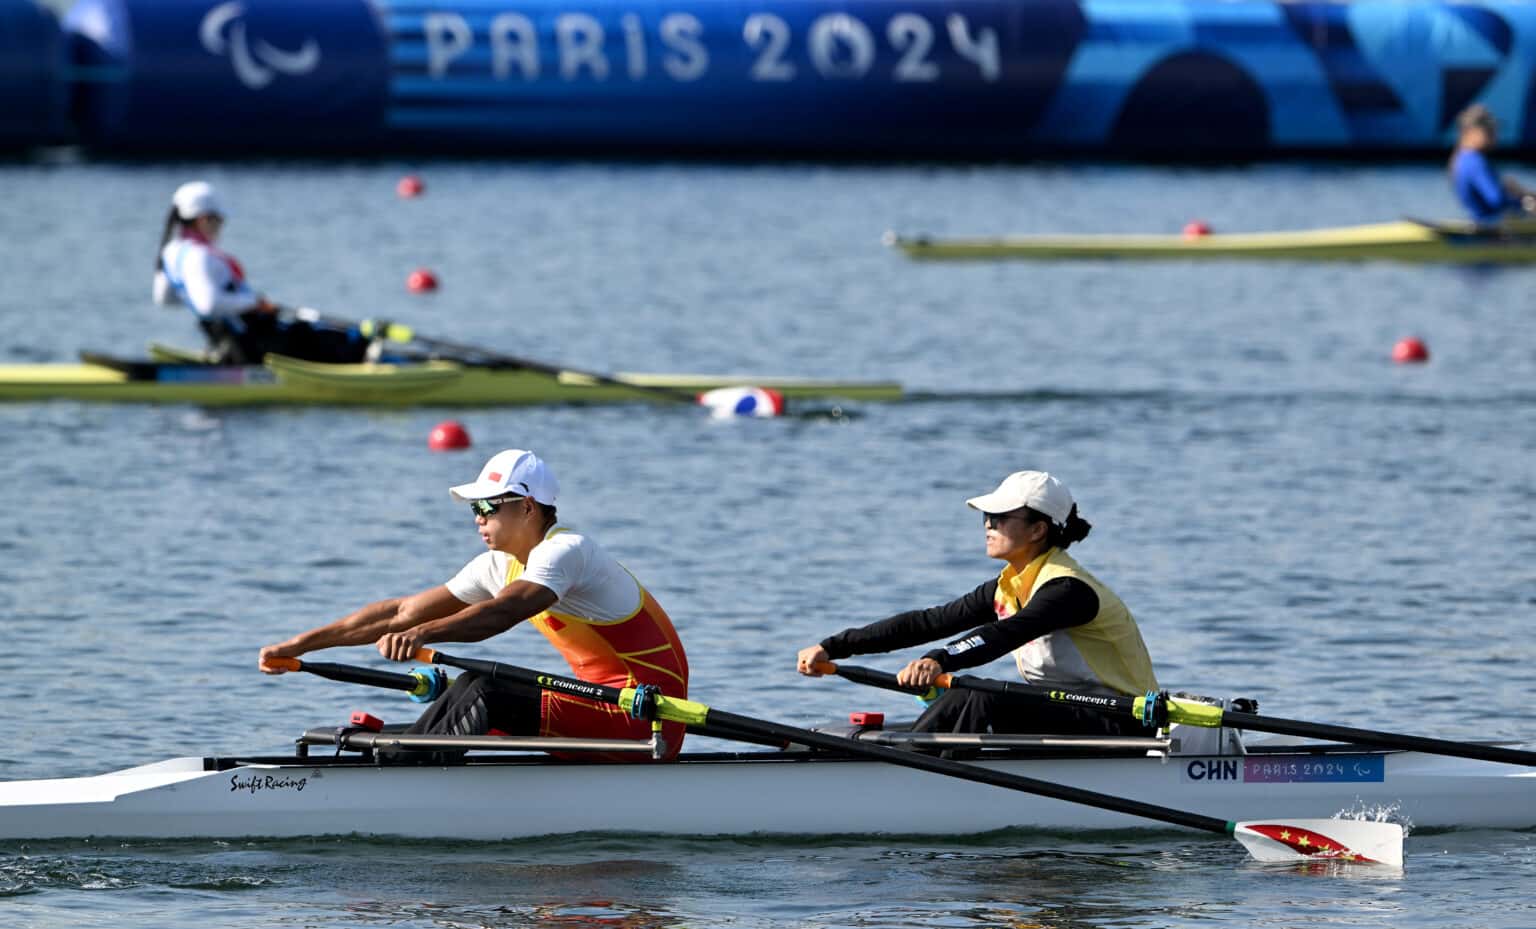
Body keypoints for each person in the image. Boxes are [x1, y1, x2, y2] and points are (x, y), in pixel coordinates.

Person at [258, 448, 690, 762]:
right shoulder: (497, 566)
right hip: (595, 707)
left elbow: (502, 613)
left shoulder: (567, 551)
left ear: (526, 507)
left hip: (646, 718)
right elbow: (400, 613)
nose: (478, 517)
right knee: (470, 685)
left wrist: (424, 634)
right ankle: (399, 761)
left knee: (488, 690)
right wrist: (301, 645)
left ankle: (402, 778)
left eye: (487, 506)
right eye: (473, 508)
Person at [796, 470, 1158, 737]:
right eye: (987, 516)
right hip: (1068, 711)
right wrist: (834, 646)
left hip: (1123, 719)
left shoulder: (1068, 590)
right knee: (966, 691)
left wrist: (937, 659)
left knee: (979, 695)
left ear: (1038, 530)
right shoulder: (1010, 585)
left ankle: (912, 773)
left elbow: (1003, 635)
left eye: (1001, 517)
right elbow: (927, 622)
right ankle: (913, 762)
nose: (988, 524)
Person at [153, 180, 371, 365]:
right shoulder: (199, 256)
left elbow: (164, 298)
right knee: (330, 338)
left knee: (309, 332)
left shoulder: (172, 252)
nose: (221, 227)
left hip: (231, 339)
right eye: (220, 220)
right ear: (204, 219)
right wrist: (254, 303)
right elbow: (208, 305)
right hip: (252, 344)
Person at [1448, 104, 1535, 227]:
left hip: (1481, 222)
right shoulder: (1475, 161)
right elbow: (1496, 200)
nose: (1495, 135)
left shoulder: (1461, 158)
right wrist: (1525, 202)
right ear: (1471, 132)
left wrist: (1513, 191)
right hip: (1492, 228)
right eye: (1489, 131)